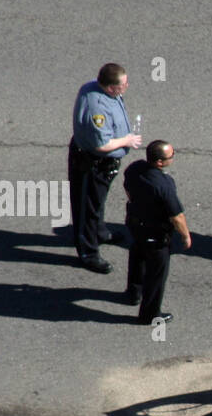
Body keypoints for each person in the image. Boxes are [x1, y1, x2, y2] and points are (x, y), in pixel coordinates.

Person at [69, 62, 142, 273]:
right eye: (123, 84)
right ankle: (88, 252)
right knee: (87, 208)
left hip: (101, 163)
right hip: (93, 163)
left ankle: (99, 232)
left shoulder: (94, 87)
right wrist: (126, 140)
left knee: (97, 202)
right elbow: (102, 145)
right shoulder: (97, 109)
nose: (127, 86)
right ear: (110, 87)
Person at [123, 140, 190, 325]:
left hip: (135, 224)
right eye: (171, 156)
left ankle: (133, 292)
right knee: (156, 275)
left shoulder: (134, 168)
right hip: (156, 233)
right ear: (159, 162)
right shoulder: (164, 185)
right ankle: (149, 314)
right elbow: (177, 216)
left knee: (137, 256)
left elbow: (127, 188)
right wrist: (186, 236)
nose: (173, 158)